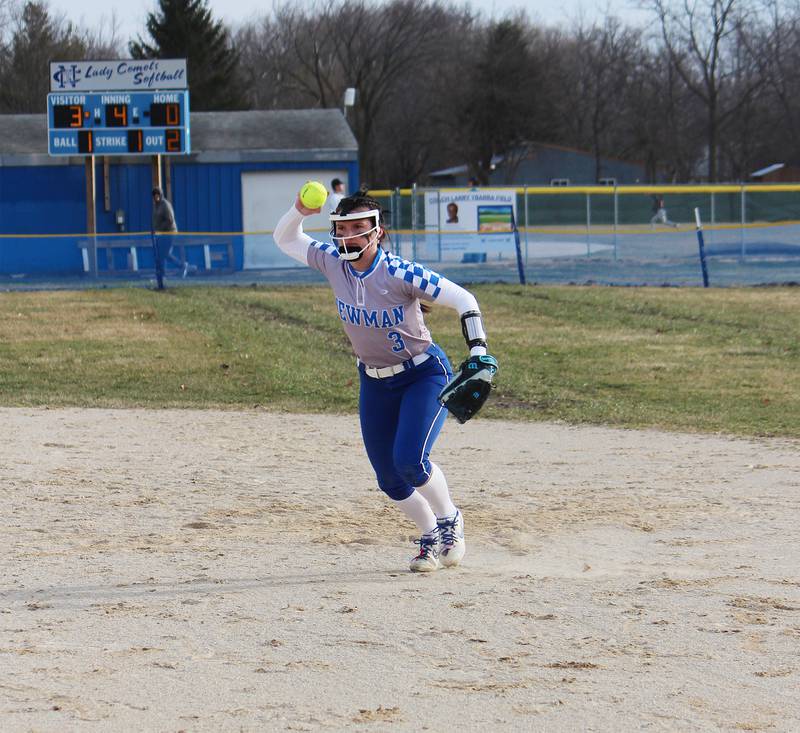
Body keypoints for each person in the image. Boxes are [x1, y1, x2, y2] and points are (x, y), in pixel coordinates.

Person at [273, 189, 497, 572]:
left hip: (422, 373)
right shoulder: (332, 263)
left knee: (410, 461)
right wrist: (299, 209)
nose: (349, 235)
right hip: (374, 381)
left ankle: (449, 521)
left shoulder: (399, 272)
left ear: (377, 233)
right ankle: (428, 536)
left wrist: (477, 348)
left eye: (359, 227)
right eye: (343, 227)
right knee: (389, 479)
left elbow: (465, 299)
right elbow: (286, 238)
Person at [151, 186, 193, 289]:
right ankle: (182, 266)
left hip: (169, 233)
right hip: (160, 233)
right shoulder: (156, 206)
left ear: (161, 195)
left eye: (158, 195)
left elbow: (170, 220)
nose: (156, 198)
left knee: (162, 254)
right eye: (154, 196)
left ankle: (164, 275)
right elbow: (156, 220)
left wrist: (160, 229)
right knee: (164, 254)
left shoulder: (165, 205)